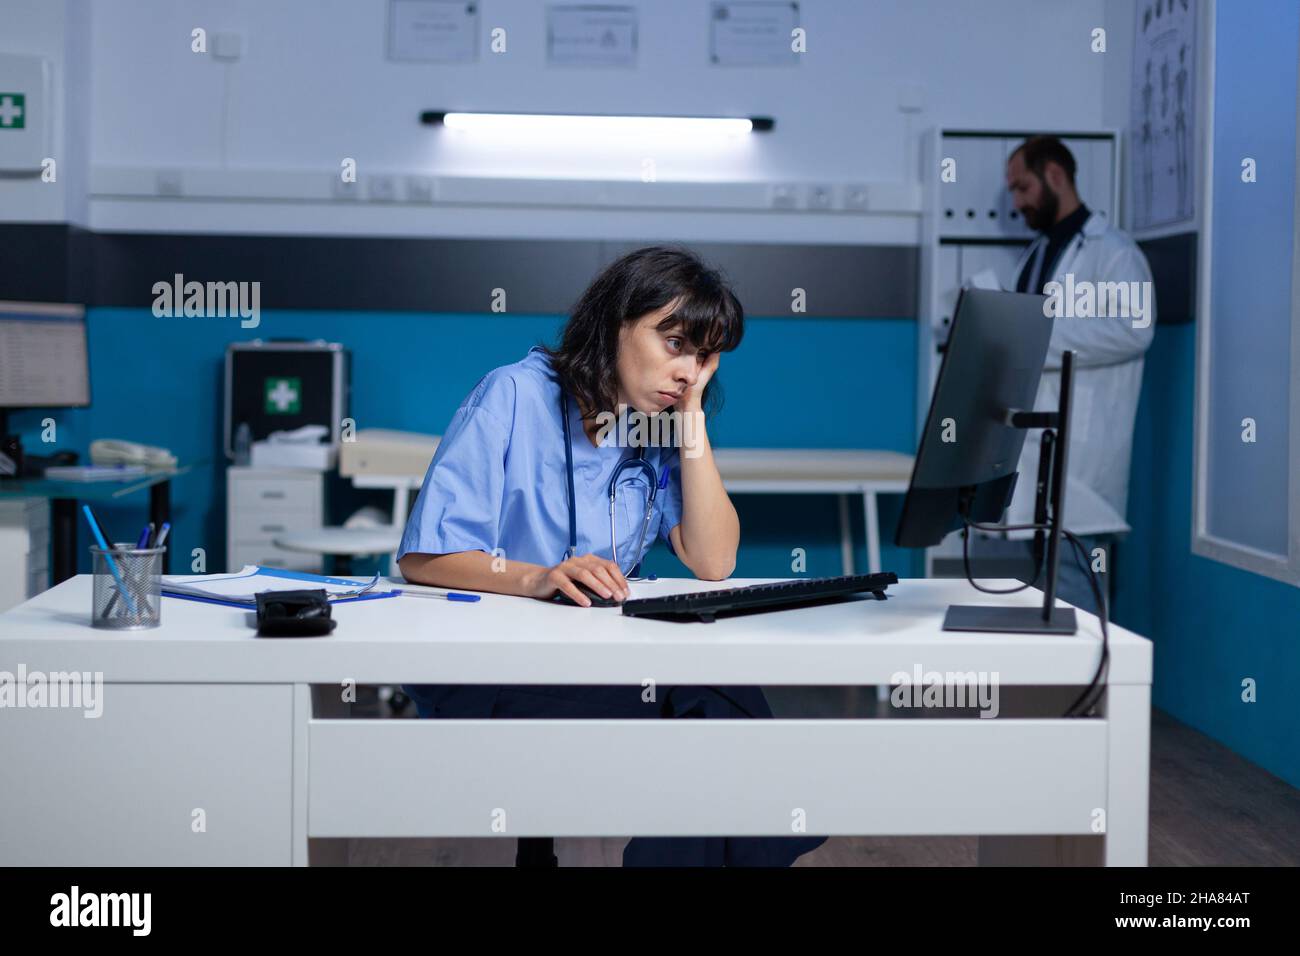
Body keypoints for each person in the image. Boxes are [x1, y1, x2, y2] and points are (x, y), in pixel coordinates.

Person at [397, 244, 827, 867]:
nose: (688, 371)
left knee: (716, 709)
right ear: (615, 322)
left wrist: (693, 425)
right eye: (675, 343)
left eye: (706, 357)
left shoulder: (653, 425)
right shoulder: (512, 395)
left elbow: (714, 561)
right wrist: (539, 577)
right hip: (491, 668)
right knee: (714, 708)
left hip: (593, 660)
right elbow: (424, 559)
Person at [990, 136, 1157, 614]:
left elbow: (1135, 328)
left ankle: (1088, 688)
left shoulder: (1114, 252)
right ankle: (1064, 688)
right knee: (1048, 583)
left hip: (1083, 457)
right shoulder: (1038, 255)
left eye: (1022, 188)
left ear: (1055, 176)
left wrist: (1037, 331)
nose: (1018, 202)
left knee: (1075, 584)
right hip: (1036, 451)